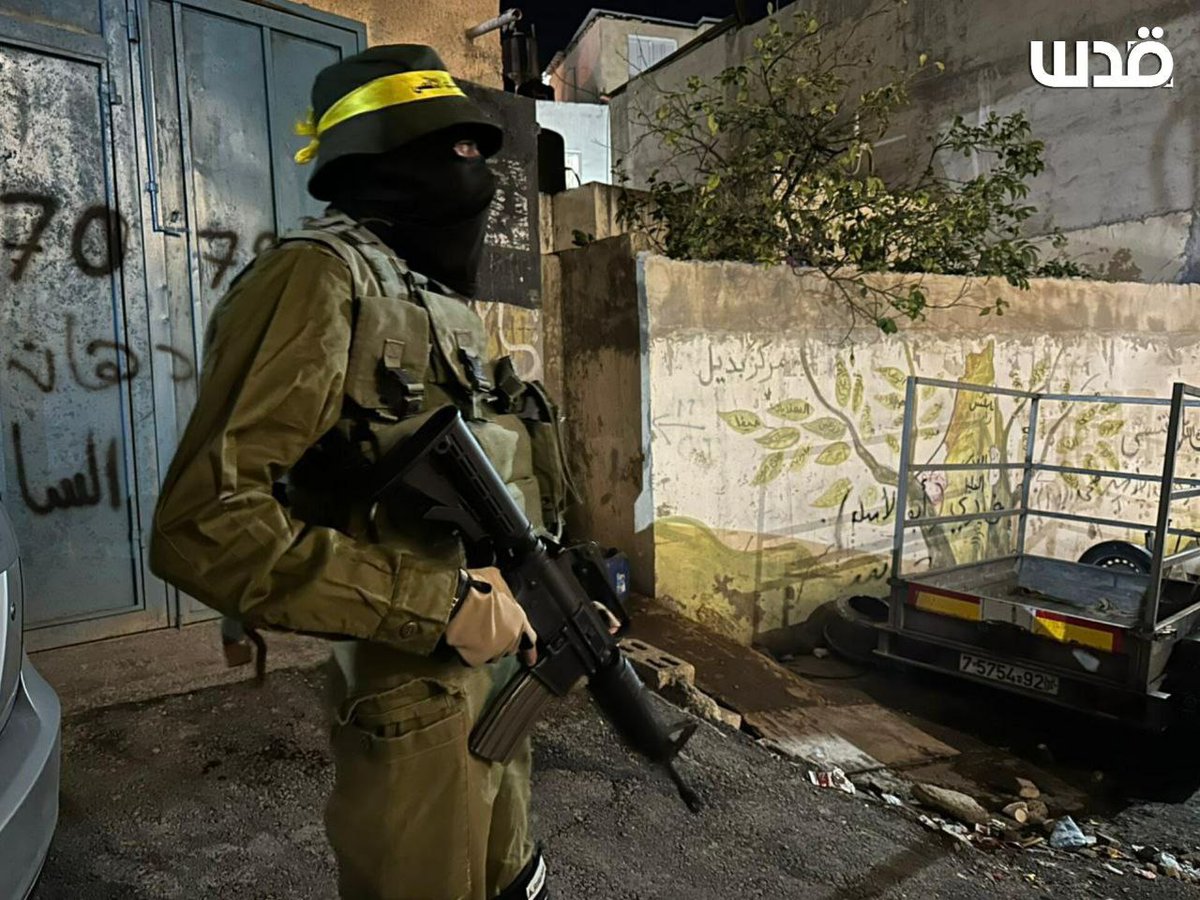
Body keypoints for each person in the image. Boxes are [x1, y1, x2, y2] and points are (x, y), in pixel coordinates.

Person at [150, 44, 568, 900]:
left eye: (477, 154)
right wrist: (441, 606)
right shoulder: (315, 277)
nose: (473, 178)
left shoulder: (440, 302)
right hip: (411, 691)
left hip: (494, 678)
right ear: (376, 162)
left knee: (512, 882)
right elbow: (204, 522)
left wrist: (560, 578)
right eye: (444, 151)